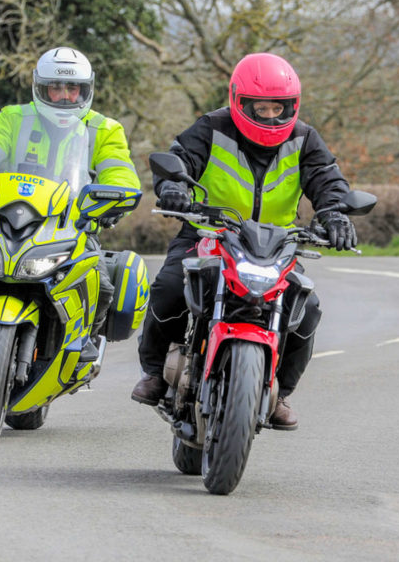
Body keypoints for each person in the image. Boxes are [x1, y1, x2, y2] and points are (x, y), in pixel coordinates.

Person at [131, 52, 356, 430]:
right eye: (260, 107)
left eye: (279, 108)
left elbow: (327, 180)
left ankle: (279, 392)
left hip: (277, 245)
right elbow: (181, 158)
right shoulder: (212, 127)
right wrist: (172, 186)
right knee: (170, 286)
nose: (270, 116)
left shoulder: (305, 138)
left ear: (293, 106)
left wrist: (334, 214)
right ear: (239, 101)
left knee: (308, 308)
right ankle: (155, 371)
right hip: (208, 234)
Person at [0, 46, 140, 344]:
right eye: (55, 88)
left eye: (73, 88)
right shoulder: (13, 118)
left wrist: (117, 197)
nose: (65, 96)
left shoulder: (104, 130)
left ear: (86, 89)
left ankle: (84, 343)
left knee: (101, 284)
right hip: (7, 219)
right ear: (40, 87)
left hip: (72, 226)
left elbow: (119, 169)